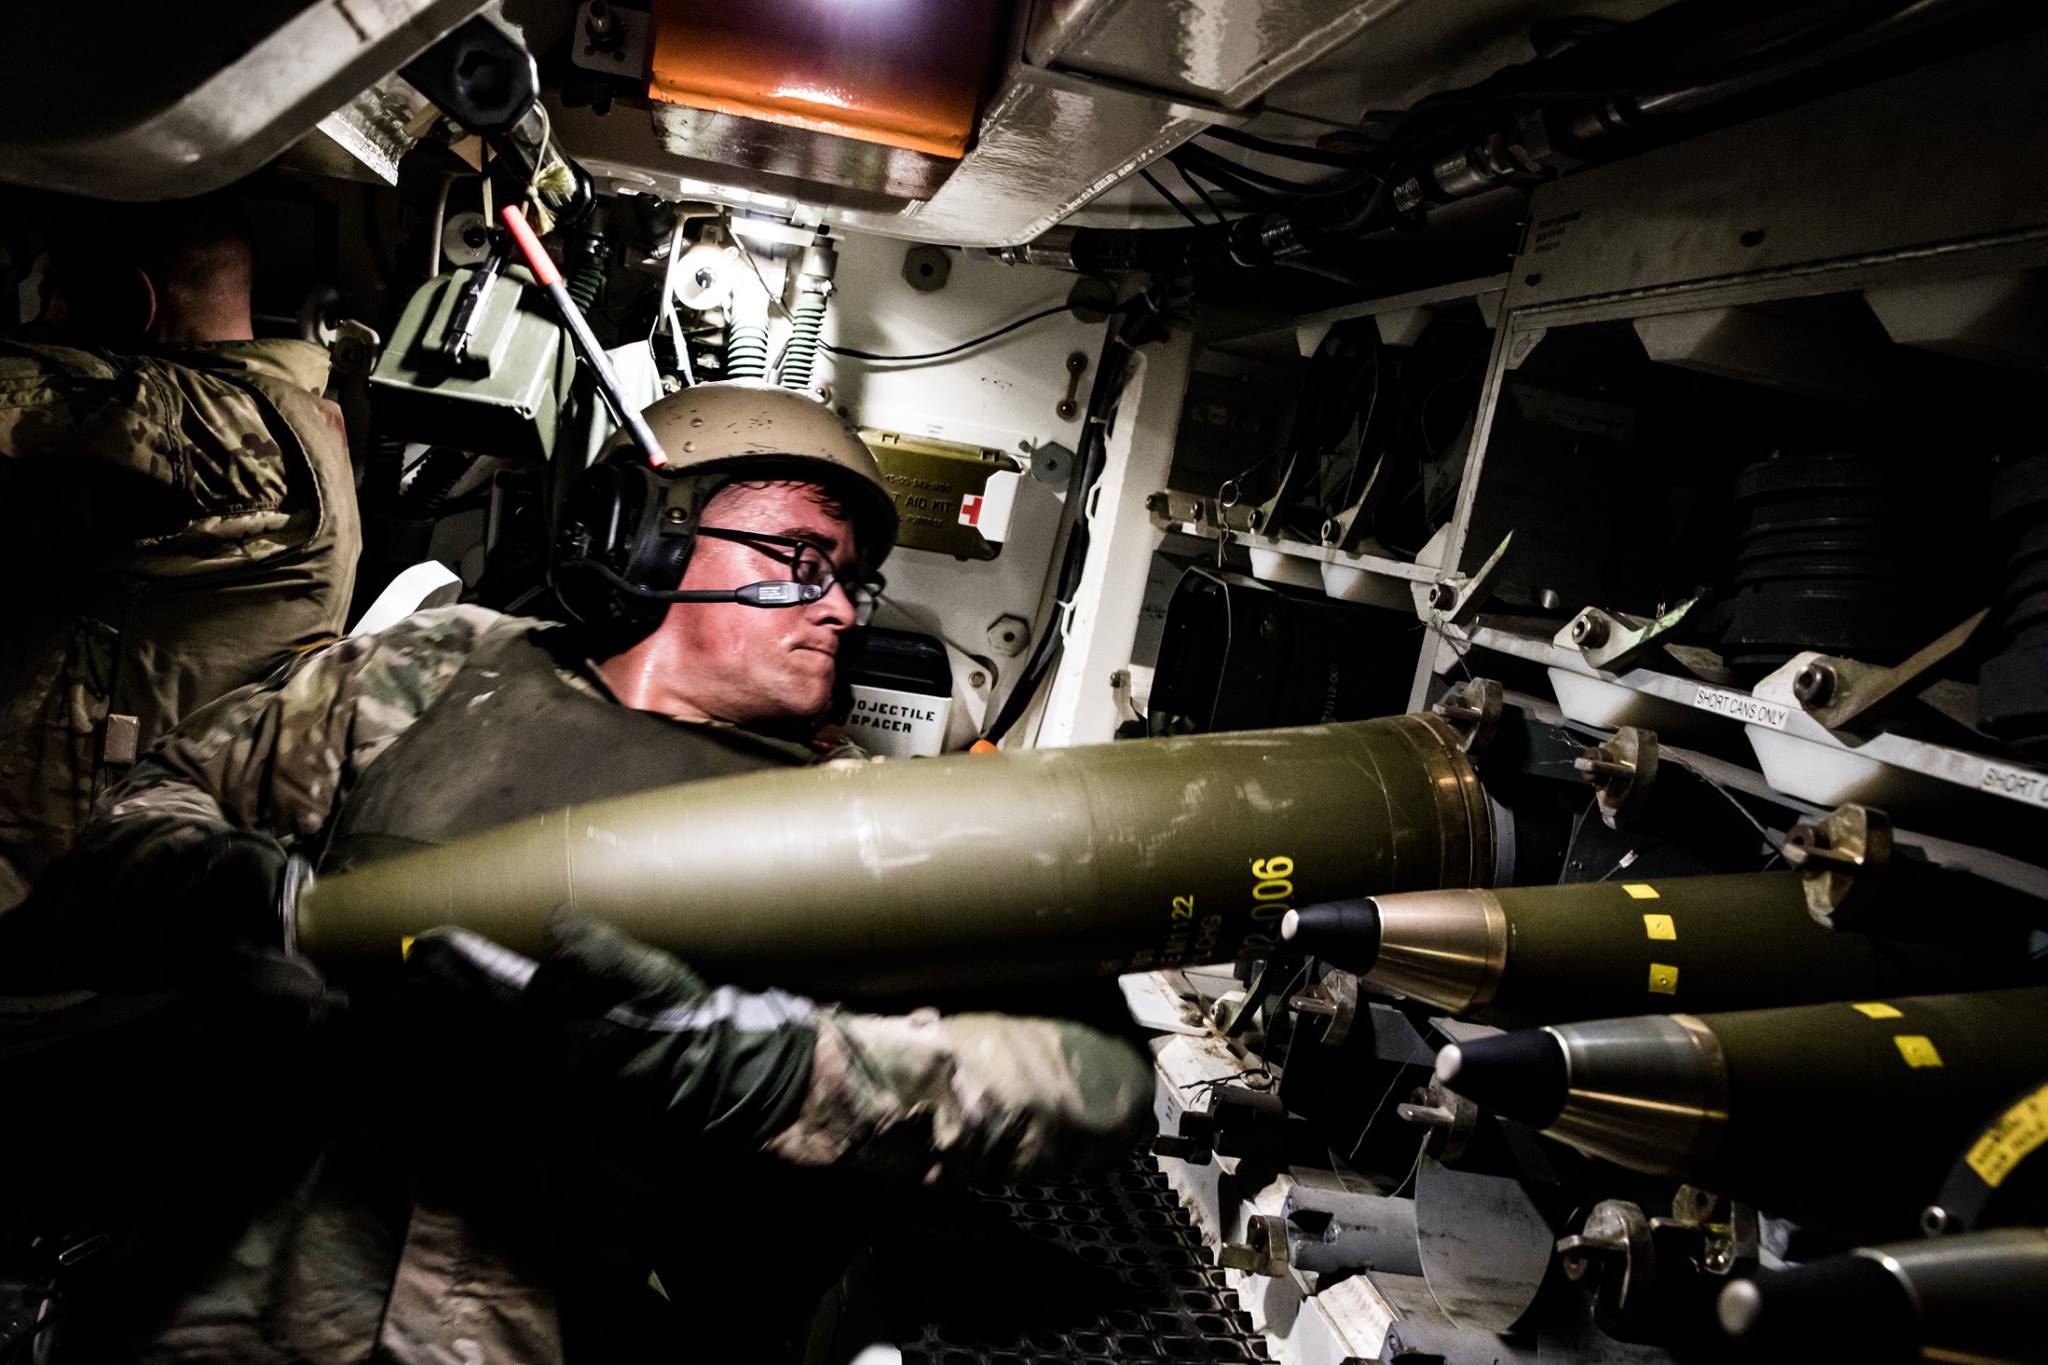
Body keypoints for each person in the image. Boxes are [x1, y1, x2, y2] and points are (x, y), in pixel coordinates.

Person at [13, 382, 1154, 1363]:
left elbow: (1094, 1087)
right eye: (801, 560)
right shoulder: (435, 673)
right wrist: (221, 890)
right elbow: (149, 807)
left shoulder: (859, 823)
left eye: (851, 579)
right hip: (217, 1301)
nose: (841, 608)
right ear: (644, 538)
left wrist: (763, 1066)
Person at [0, 193, 360, 910]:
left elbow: (39, 395)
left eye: (60, 302)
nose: (46, 322)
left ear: (135, 300)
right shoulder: (280, 418)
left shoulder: (240, 432)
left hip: (63, 885)